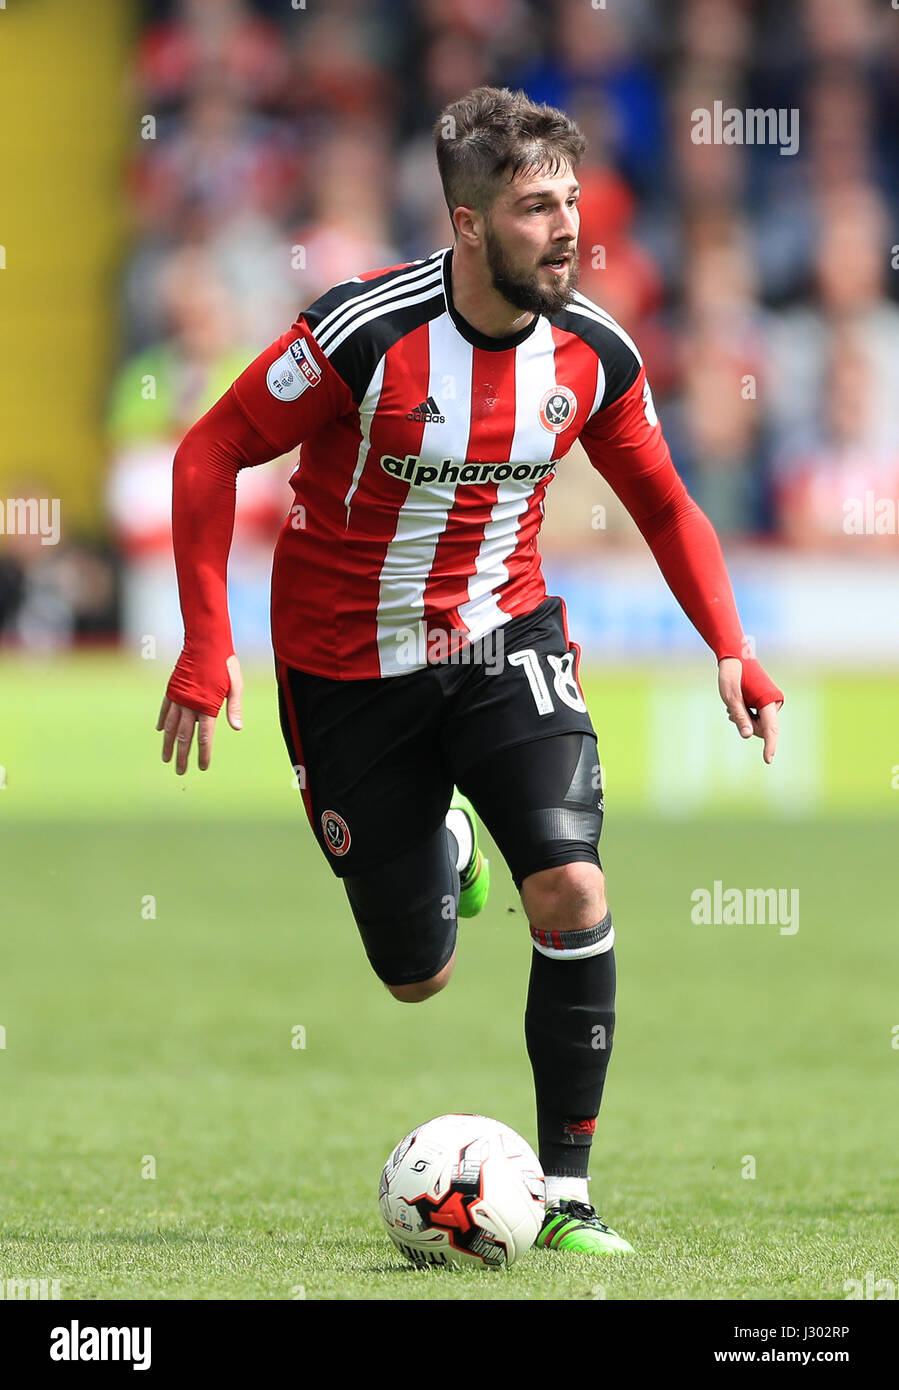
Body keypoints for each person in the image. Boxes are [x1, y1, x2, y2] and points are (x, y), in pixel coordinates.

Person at [156, 86, 783, 1257]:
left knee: (572, 890)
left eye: (570, 202)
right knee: (414, 976)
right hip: (348, 670)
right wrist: (204, 643)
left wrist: (731, 648)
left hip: (503, 643)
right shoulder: (361, 335)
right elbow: (211, 451)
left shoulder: (592, 351)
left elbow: (663, 502)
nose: (565, 229)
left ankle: (568, 1194)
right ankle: (444, 844)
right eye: (535, 207)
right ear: (464, 222)